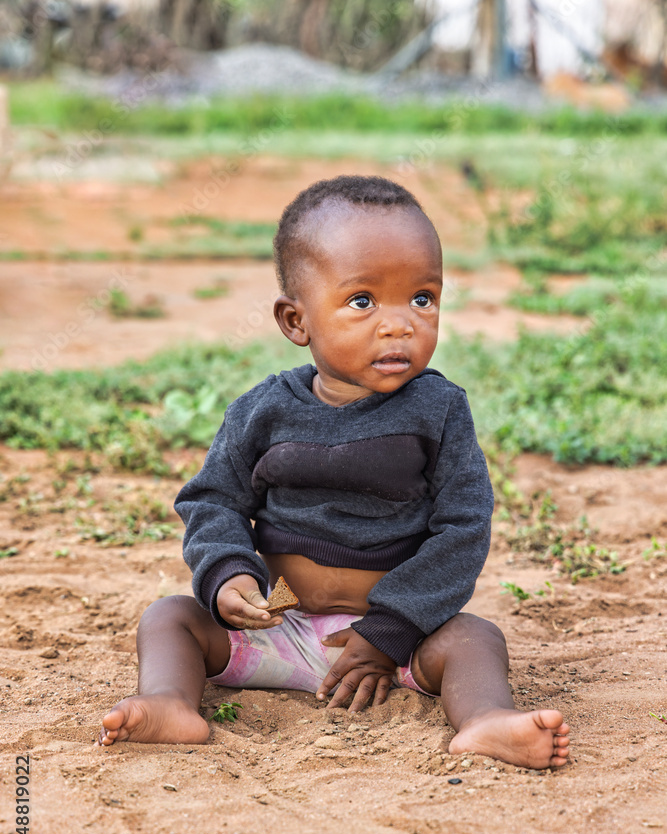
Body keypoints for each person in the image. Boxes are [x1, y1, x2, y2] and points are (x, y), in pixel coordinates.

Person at [99, 175, 570, 769]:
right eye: (363, 301)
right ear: (296, 321)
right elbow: (213, 501)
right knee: (170, 617)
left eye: (422, 298)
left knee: (475, 639)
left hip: (399, 640)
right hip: (276, 628)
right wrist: (228, 576)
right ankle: (168, 701)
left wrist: (391, 631)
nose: (400, 324)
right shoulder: (261, 412)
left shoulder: (440, 411)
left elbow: (463, 528)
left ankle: (484, 719)